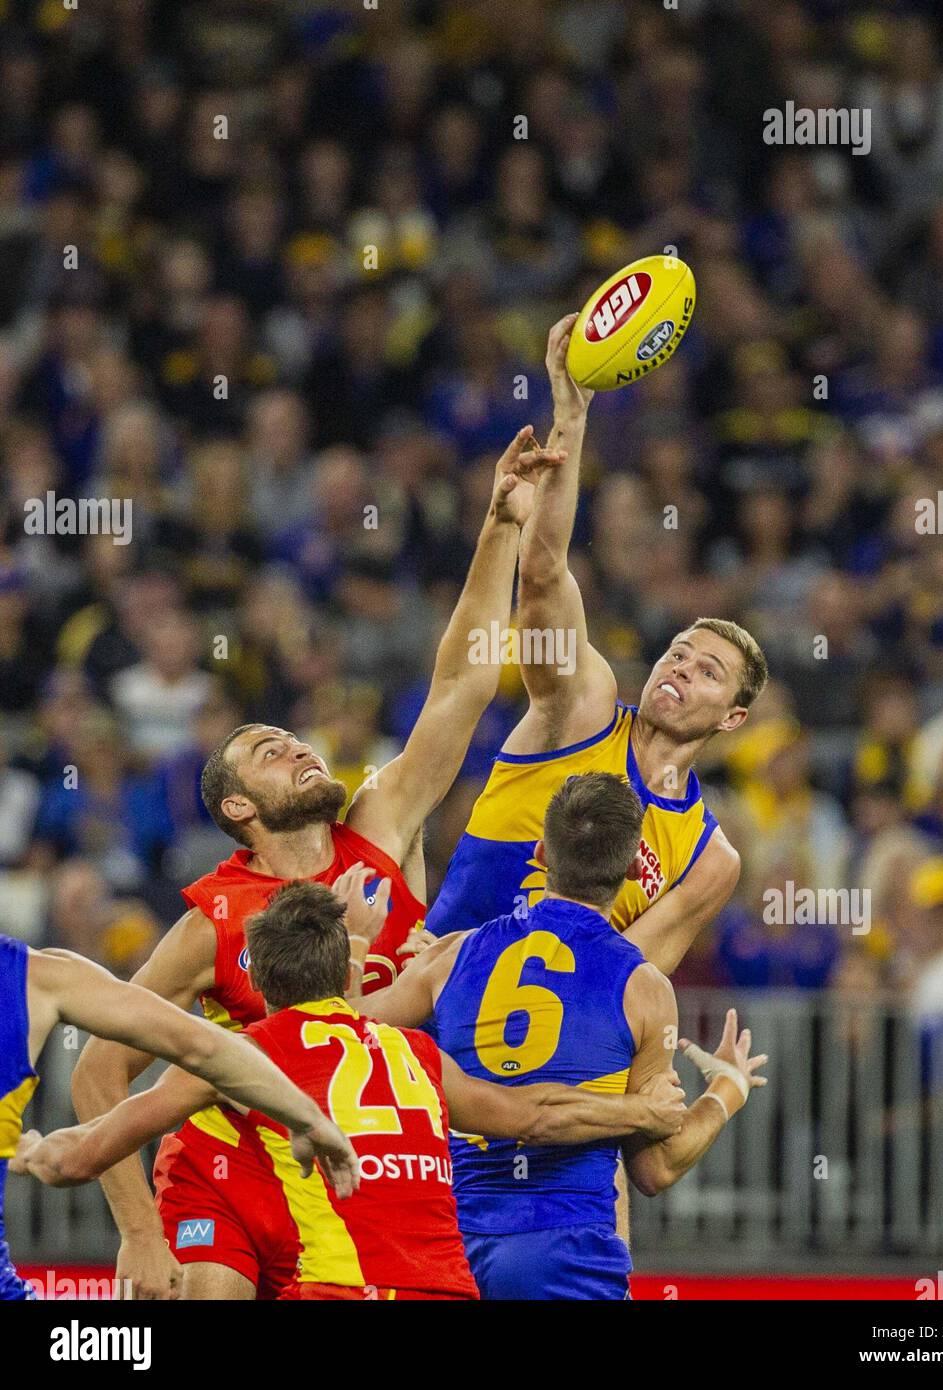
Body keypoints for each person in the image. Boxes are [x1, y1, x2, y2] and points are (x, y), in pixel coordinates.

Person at [70, 428, 567, 1300]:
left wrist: (499, 525)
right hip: (225, 1172)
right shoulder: (211, 922)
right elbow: (99, 1070)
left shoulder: (383, 823)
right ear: (237, 809)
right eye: (269, 750)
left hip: (354, 1178)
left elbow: (463, 683)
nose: (298, 747)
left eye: (295, 738)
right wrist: (139, 1235)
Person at [17, 882, 688, 1301]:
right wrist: (641, 1110)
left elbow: (92, 1151)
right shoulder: (418, 1053)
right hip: (447, 1290)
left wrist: (49, 1152)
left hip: (342, 1286)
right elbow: (532, 1116)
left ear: (263, 988)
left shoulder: (245, 1057)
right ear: (349, 968)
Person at [427, 318, 767, 984]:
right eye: (678, 653)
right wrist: (572, 419)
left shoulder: (710, 859)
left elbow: (628, 984)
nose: (680, 668)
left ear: (734, 718)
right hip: (429, 1016)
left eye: (708, 671)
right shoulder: (582, 709)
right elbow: (546, 570)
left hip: (543, 1062)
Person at [351, 772, 768, 1299]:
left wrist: (357, 944)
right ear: (638, 866)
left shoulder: (449, 955)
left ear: (541, 852)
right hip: (568, 1247)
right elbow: (655, 1167)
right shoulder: (644, 989)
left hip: (450, 1241)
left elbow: (342, 1032)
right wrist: (726, 1090)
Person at [1, 932, 358, 1302]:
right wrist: (307, 1118)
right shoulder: (37, 977)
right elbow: (206, 1049)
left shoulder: (37, 976)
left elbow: (206, 1051)